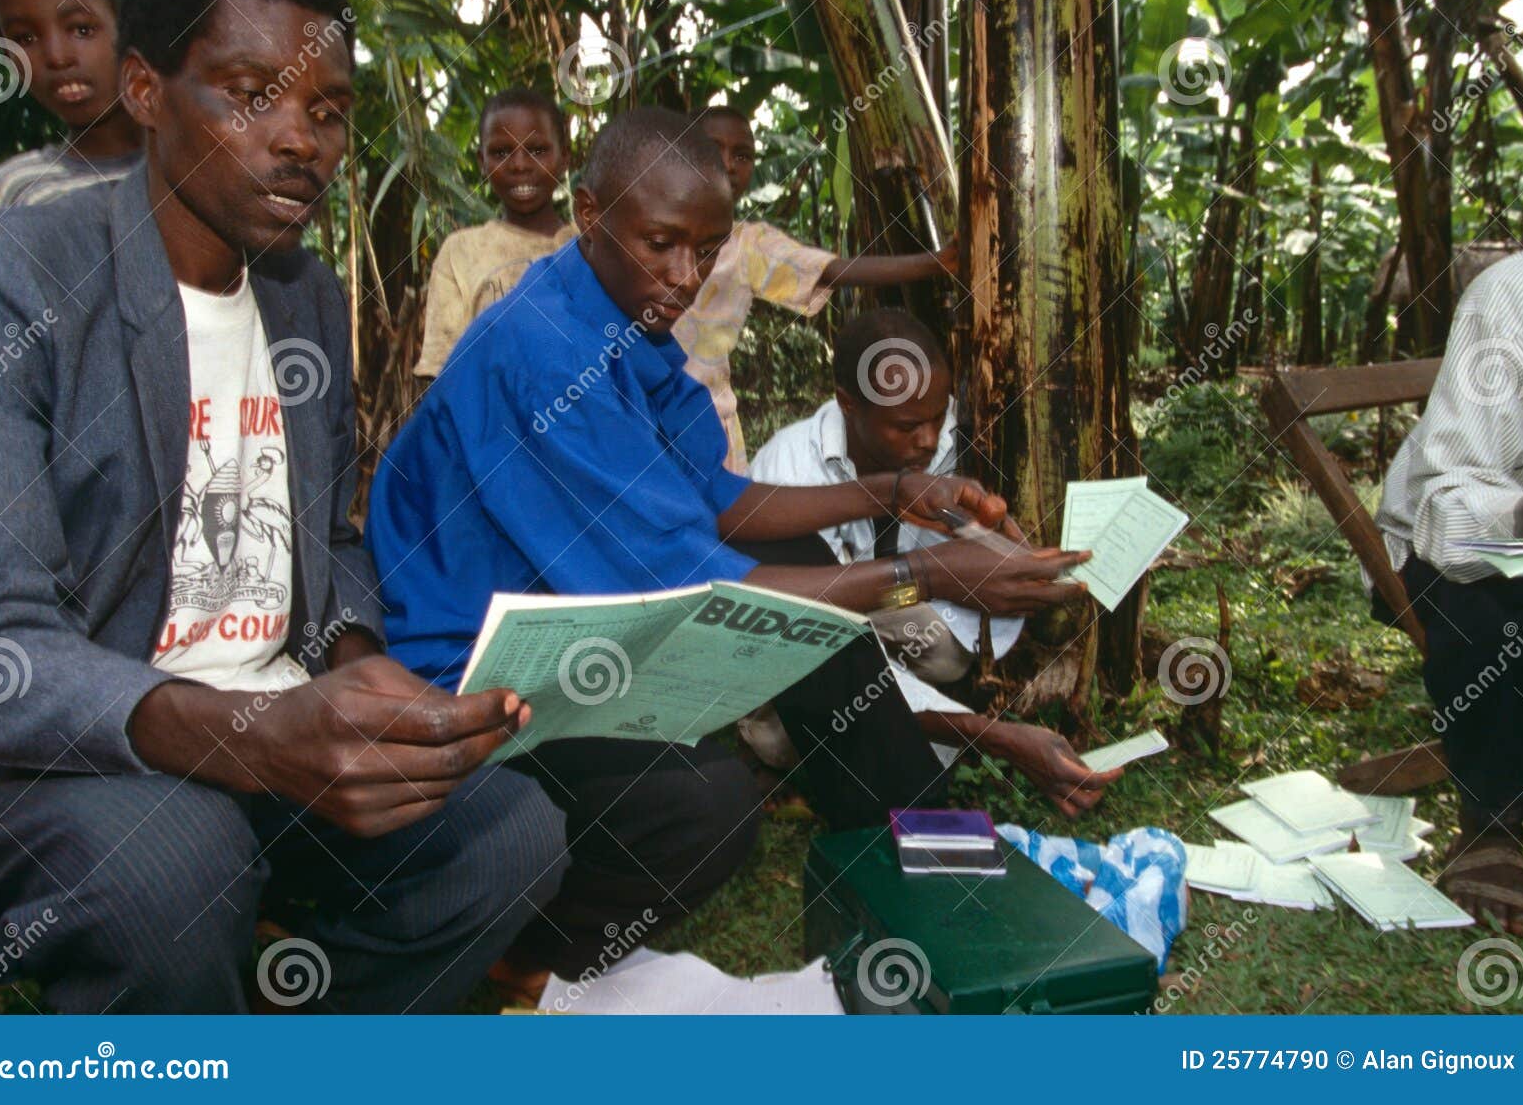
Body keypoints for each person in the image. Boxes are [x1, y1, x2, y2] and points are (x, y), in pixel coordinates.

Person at [367, 107, 1094, 993]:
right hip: (469, 666)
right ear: (589, 213)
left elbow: (717, 501)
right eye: (662, 244)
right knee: (709, 806)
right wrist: (926, 574)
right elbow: (710, 584)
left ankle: (931, 862)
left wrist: (900, 494)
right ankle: (525, 957)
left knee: (821, 611)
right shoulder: (547, 351)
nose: (685, 277)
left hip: (575, 625)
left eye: (706, 250)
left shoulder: (621, 323)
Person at [0, 0, 570, 1014]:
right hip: (81, 753)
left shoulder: (304, 300)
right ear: (147, 90)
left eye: (326, 111)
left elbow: (322, 545)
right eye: (250, 96)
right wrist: (246, 737)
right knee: (172, 870)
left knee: (510, 834)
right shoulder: (3, 276)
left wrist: (364, 675)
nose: (299, 141)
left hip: (278, 729)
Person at [750, 307, 1121, 818]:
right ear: (847, 405)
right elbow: (821, 636)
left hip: (890, 606)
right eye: (907, 426)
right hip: (806, 640)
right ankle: (855, 735)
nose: (929, 440)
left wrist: (994, 567)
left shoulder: (947, 447)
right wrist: (988, 734)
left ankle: (909, 710)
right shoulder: (787, 473)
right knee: (779, 736)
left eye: (937, 416)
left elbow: (911, 594)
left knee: (940, 649)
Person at [1374, 247, 1523, 934]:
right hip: (1459, 542)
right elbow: (1450, 512)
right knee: (1505, 598)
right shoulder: (1517, 302)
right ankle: (1492, 820)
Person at [672, 104, 958, 472]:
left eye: (742, 154)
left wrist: (938, 262)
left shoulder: (748, 246)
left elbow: (832, 271)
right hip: (632, 419)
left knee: (711, 523)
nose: (728, 164)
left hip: (708, 422)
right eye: (712, 148)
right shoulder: (632, 230)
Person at [414, 88, 577, 379]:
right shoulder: (461, 252)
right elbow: (442, 374)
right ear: (482, 163)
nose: (519, 165)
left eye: (537, 150)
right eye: (501, 152)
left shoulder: (592, 248)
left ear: (564, 158)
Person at [0, 0, 142, 209]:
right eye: (25, 38)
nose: (57, 57)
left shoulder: (192, 171)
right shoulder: (15, 192)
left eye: (82, 29)